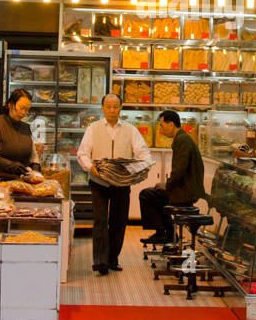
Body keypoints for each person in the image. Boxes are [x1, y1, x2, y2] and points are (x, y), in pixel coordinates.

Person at [76, 93, 153, 275]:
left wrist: (131, 171)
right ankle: (100, 262)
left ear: (120, 108)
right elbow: (82, 153)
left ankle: (113, 259)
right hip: (98, 182)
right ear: (102, 108)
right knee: (100, 221)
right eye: (108, 106)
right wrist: (90, 167)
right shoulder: (93, 129)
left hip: (122, 184)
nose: (112, 109)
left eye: (115, 106)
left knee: (119, 222)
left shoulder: (130, 130)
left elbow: (145, 156)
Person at [139, 110, 205, 245]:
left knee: (146, 195)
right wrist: (167, 185)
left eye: (162, 125)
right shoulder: (183, 138)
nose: (161, 129)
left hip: (185, 193)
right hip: (187, 189)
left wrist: (167, 185)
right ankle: (167, 234)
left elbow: (179, 170)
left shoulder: (182, 140)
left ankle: (162, 234)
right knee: (157, 195)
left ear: (171, 124)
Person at [0, 88, 39, 181]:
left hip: (21, 183)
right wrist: (10, 165)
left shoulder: (26, 128)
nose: (24, 113)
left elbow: (33, 155)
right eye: (21, 108)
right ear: (10, 105)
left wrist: (36, 168)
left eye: (27, 110)